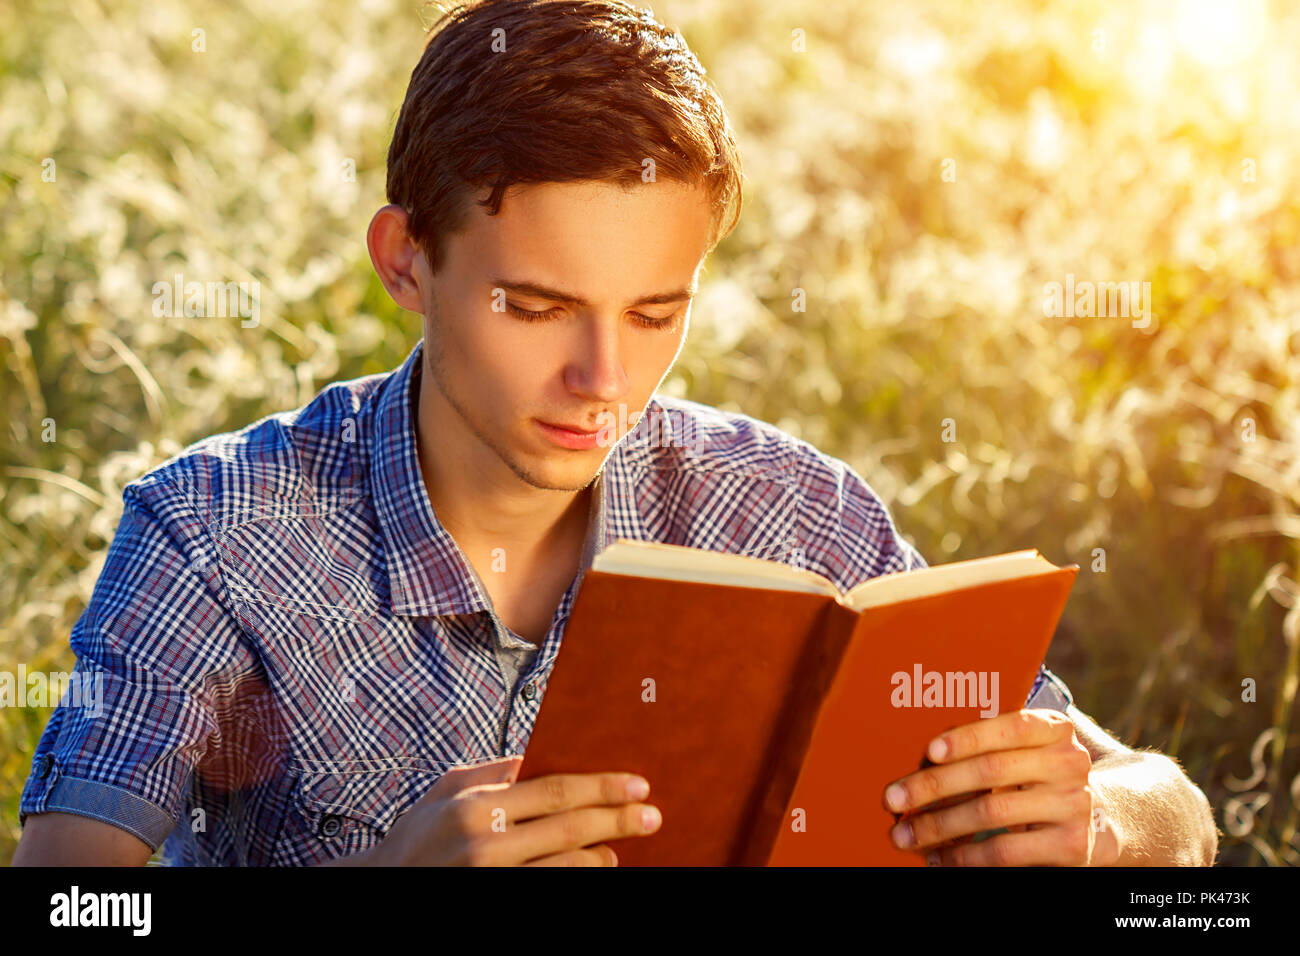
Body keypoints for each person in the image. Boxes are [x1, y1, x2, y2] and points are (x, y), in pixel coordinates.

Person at [14, 0, 1216, 867]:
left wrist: (1103, 824)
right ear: (405, 261)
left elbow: (1170, 805)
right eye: (535, 307)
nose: (604, 378)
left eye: (655, 313)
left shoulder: (793, 515)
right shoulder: (217, 528)